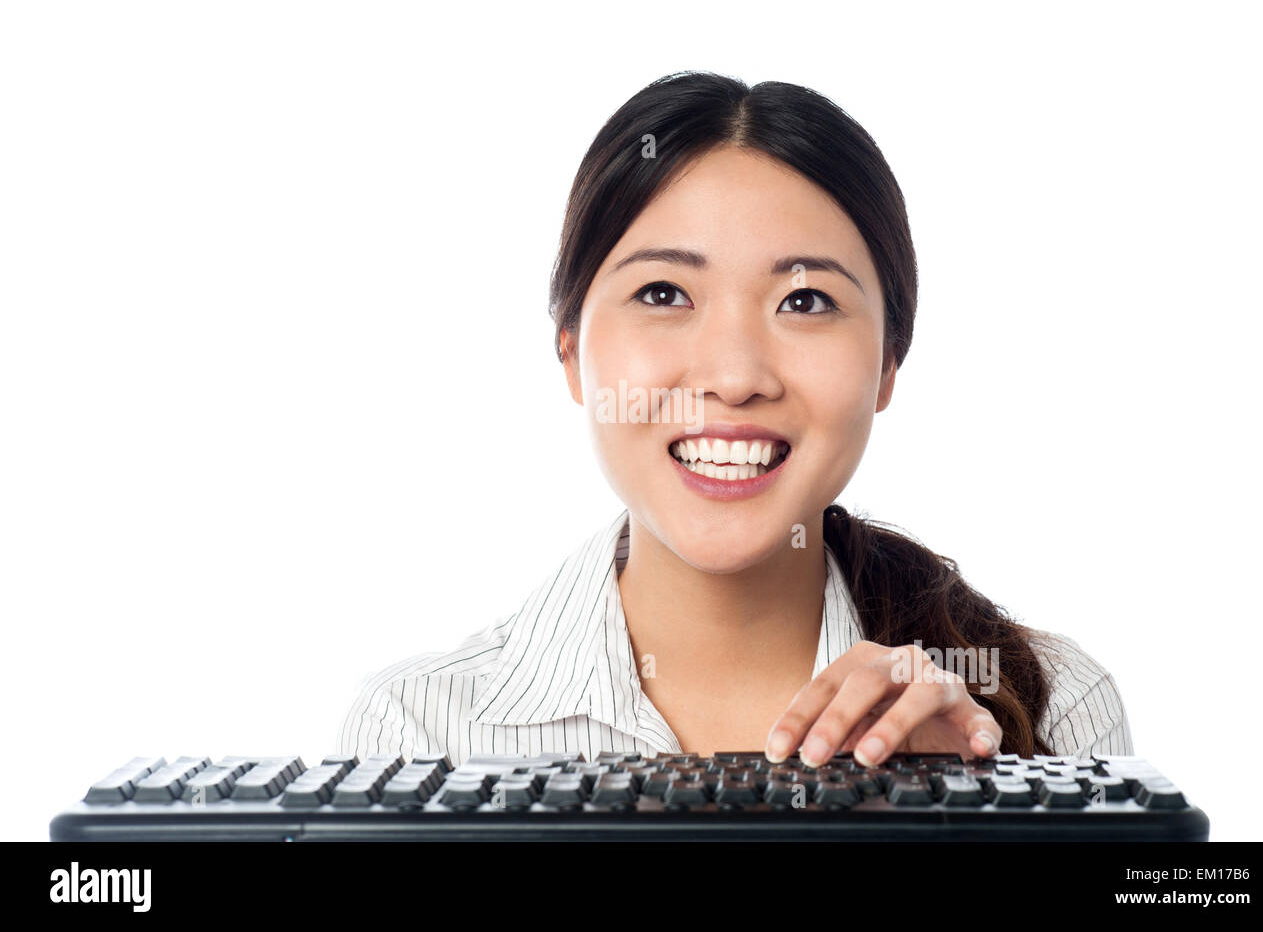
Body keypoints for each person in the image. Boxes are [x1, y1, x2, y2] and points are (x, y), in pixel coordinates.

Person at [338, 71, 1132, 768]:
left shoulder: (1051, 705)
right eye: (663, 294)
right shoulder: (418, 731)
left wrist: (969, 820)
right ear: (571, 348)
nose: (734, 377)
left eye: (805, 300)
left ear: (889, 363)